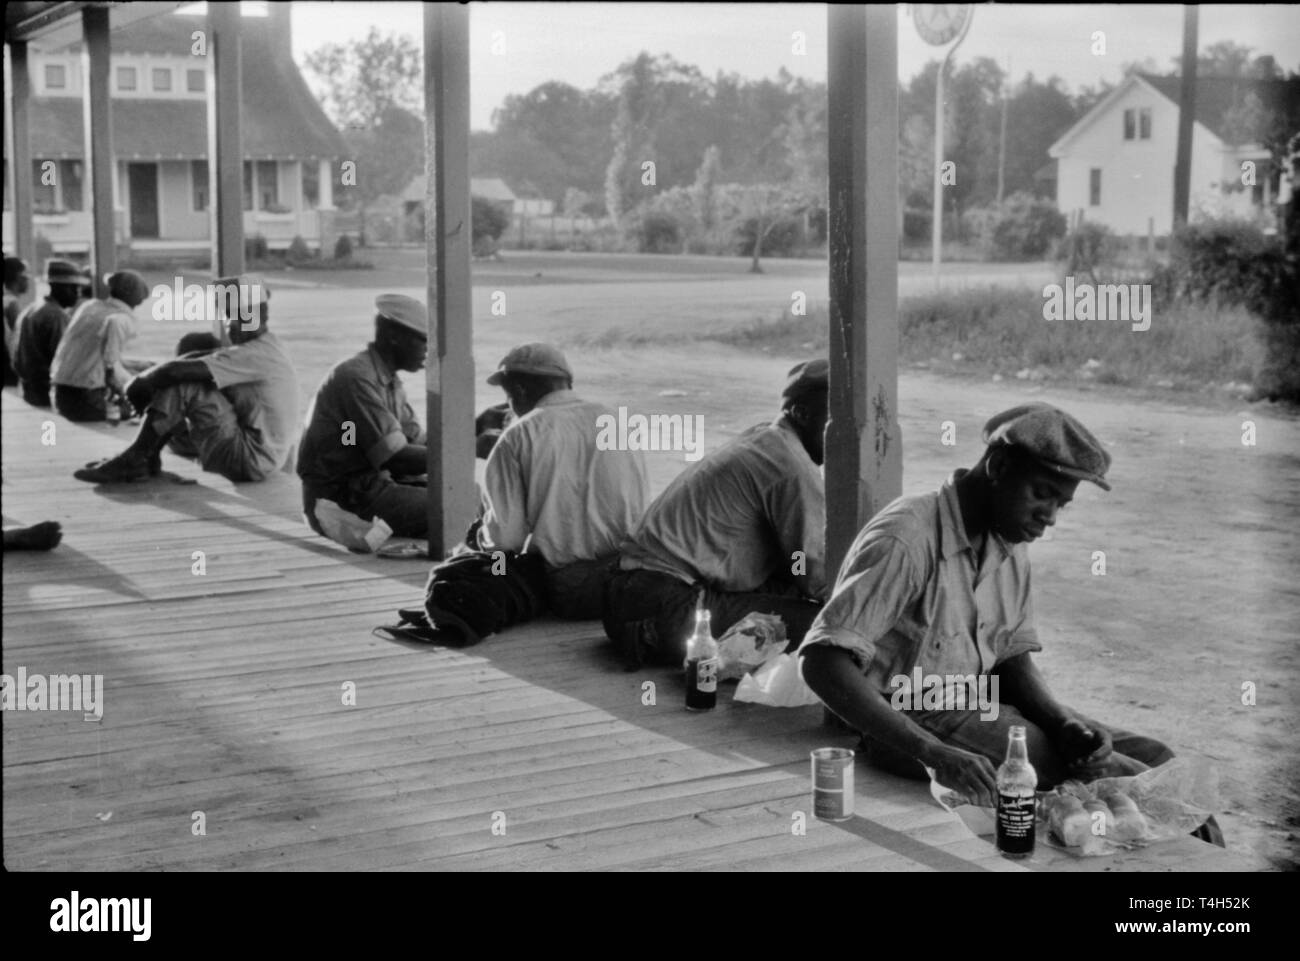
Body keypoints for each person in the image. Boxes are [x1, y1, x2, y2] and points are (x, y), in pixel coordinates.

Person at [798, 403, 1195, 806]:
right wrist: (933, 754)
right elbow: (821, 662)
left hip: (982, 705)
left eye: (1061, 504)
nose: (1051, 517)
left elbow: (1011, 657)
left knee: (1158, 761)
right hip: (911, 722)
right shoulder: (907, 537)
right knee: (1133, 783)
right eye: (1042, 494)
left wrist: (1060, 721)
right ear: (1000, 466)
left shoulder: (1008, 539)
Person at [602, 359, 830, 667]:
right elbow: (813, 576)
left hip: (629, 594)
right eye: (834, 418)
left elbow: (798, 566)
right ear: (801, 413)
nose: (842, 431)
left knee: (793, 593)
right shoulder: (792, 468)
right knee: (827, 626)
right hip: (668, 605)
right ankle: (673, 646)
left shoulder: (767, 440)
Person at [471, 343, 650, 619]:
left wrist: (496, 573)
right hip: (631, 577)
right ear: (566, 382)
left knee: (484, 551)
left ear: (518, 391)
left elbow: (505, 539)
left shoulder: (519, 435)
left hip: (571, 591)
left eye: (508, 397)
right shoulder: (618, 421)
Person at [73, 275, 299, 484]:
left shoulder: (254, 354)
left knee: (185, 383)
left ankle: (136, 457)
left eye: (233, 317)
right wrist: (155, 375)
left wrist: (139, 383)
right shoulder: (267, 346)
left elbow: (175, 372)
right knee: (183, 373)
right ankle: (145, 457)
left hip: (249, 459)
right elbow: (195, 359)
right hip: (261, 456)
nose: (230, 326)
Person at [298, 294, 430, 538]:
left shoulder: (387, 380)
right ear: (394, 336)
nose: (429, 350)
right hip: (338, 503)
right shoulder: (357, 378)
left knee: (464, 493)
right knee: (462, 505)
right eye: (423, 340)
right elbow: (397, 458)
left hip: (367, 489)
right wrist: (467, 451)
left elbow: (418, 442)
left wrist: (473, 431)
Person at [49, 270, 150, 422]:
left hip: (60, 395)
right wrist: (142, 381)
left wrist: (139, 365)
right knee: (144, 405)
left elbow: (98, 355)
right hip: (86, 400)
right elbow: (112, 366)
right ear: (137, 297)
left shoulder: (89, 306)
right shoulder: (123, 319)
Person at [12, 259, 90, 407]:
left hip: (27, 390)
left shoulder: (31, 309)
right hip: (46, 394)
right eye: (73, 287)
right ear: (58, 287)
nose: (77, 293)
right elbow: (65, 362)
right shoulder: (56, 316)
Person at [3, 255, 31, 386]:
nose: (29, 280)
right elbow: (21, 340)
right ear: (18, 277)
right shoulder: (11, 303)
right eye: (26, 275)